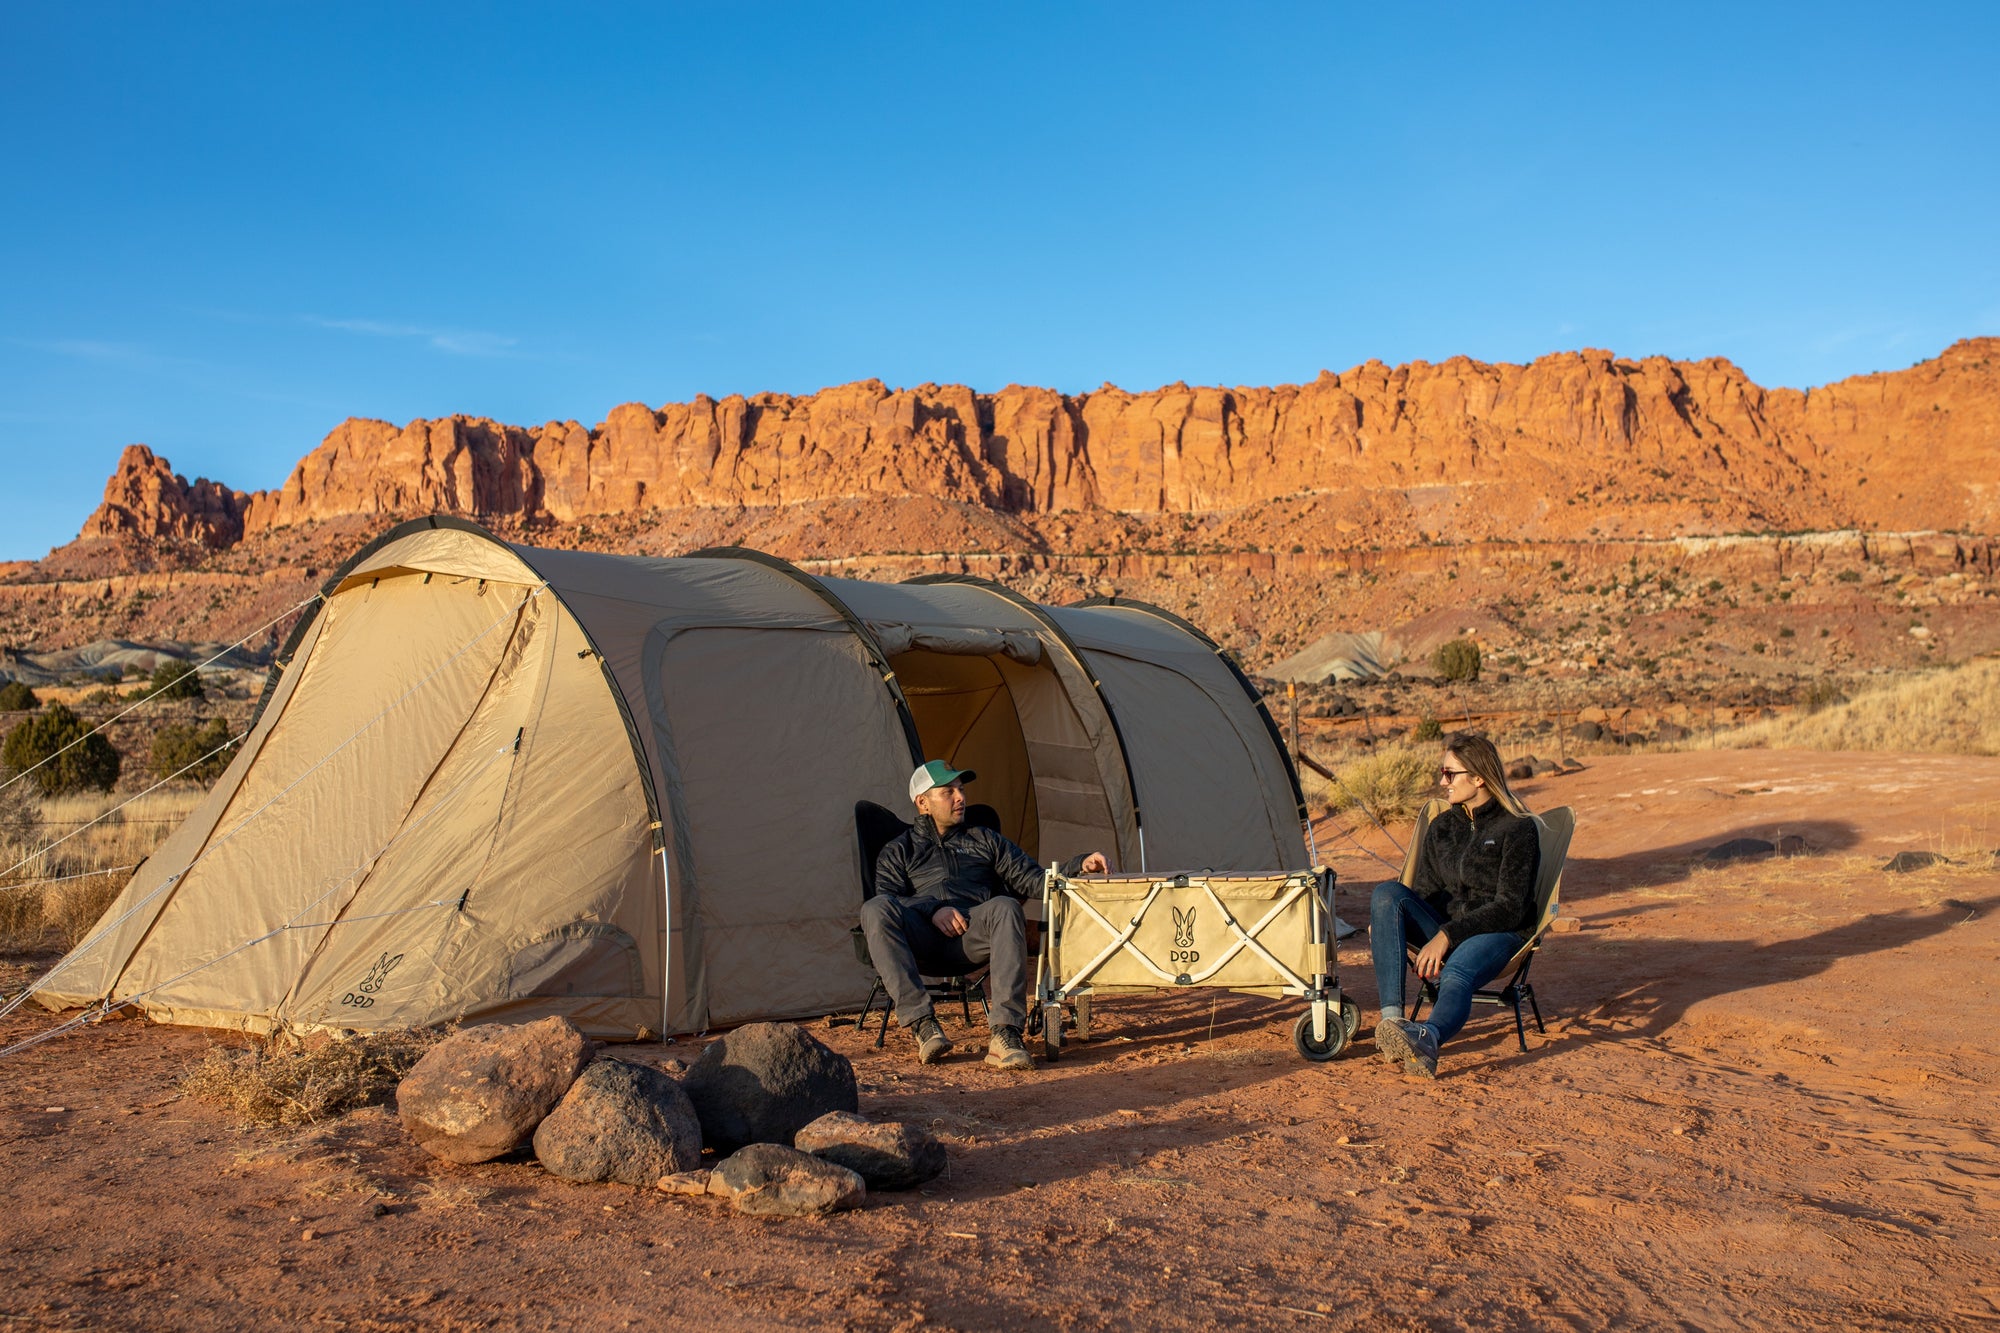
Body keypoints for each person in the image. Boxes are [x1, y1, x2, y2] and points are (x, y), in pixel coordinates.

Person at [859, 760, 1109, 1070]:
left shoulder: (985, 839)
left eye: (961, 790)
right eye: (948, 792)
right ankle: (923, 1026)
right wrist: (933, 909)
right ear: (923, 802)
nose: (960, 797)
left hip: (973, 934)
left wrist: (1078, 865)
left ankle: (1005, 1034)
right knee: (874, 908)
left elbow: (1032, 879)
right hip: (920, 939)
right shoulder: (898, 851)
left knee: (1005, 906)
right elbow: (890, 898)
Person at [1370, 732, 1541, 1079]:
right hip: (1445, 929)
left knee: (1458, 970)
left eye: (1450, 774)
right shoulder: (1443, 826)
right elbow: (1425, 892)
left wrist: (1446, 936)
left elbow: (1511, 906)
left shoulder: (1518, 828)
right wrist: (1403, 929)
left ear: (1478, 778)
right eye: (1442, 772)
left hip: (1499, 932)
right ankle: (1394, 1026)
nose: (1442, 781)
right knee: (1387, 894)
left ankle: (1428, 1039)